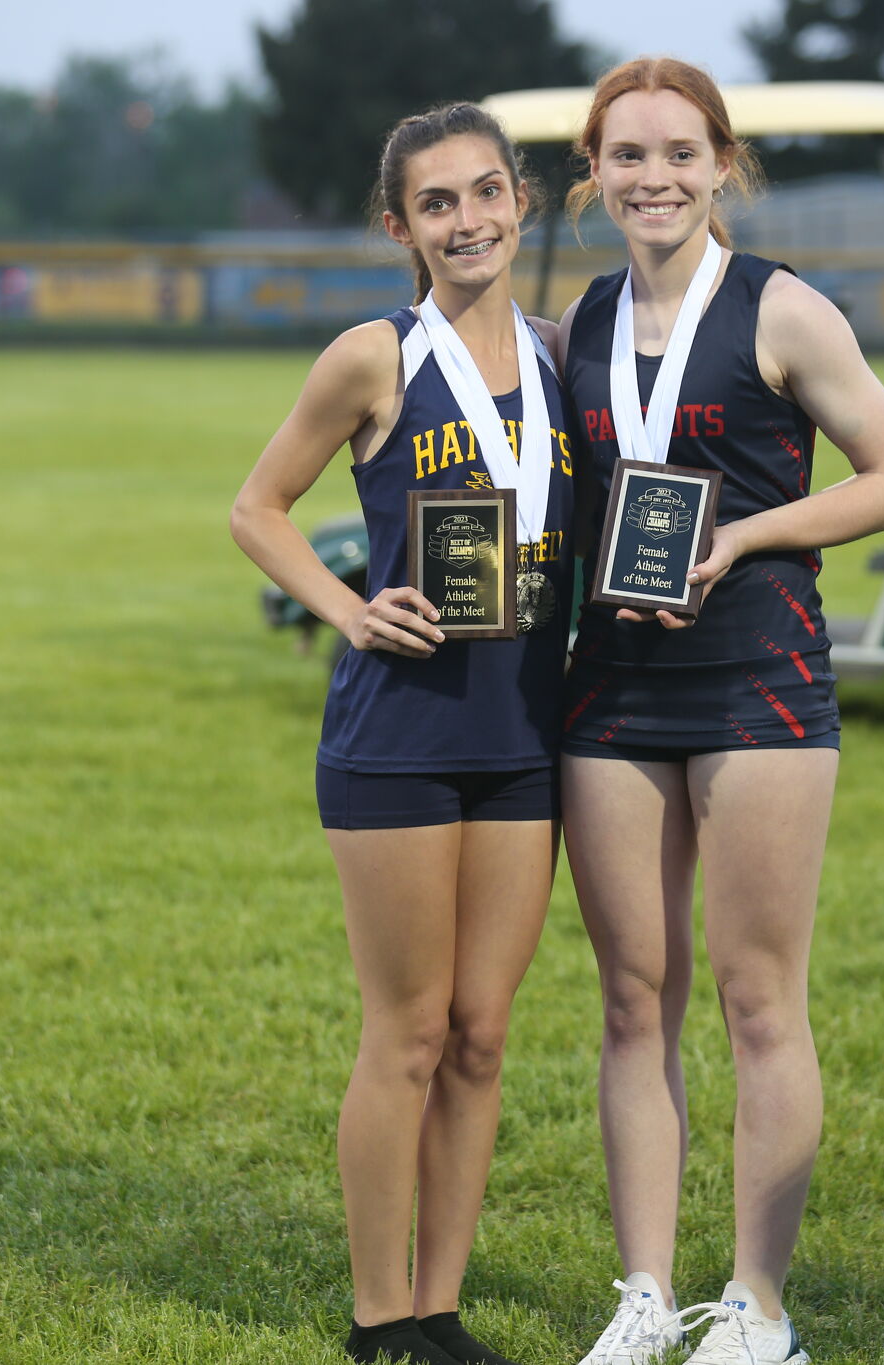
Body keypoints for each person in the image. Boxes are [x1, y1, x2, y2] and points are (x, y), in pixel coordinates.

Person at [553, 57, 884, 1365]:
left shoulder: (787, 311)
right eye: (626, 156)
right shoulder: (583, 320)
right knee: (629, 1001)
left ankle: (758, 1308)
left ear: (725, 166)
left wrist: (745, 536)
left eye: (678, 154)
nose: (652, 178)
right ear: (591, 175)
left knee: (760, 1001)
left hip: (759, 680)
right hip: (609, 689)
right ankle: (644, 1295)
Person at [230, 103, 576, 1365]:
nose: (468, 219)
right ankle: (380, 1320)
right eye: (438, 203)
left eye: (487, 192)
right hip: (397, 740)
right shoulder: (370, 358)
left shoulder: (555, 352)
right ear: (401, 227)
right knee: (410, 1030)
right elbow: (257, 508)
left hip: (528, 736)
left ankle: (441, 1306)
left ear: (520, 203)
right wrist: (348, 609)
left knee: (482, 1033)